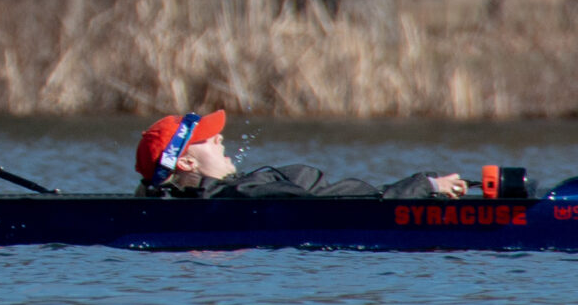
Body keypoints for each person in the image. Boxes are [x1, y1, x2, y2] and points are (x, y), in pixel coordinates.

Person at [134, 110, 468, 200]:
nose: (220, 137)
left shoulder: (232, 188)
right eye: (208, 138)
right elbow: (335, 207)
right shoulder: (242, 193)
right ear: (186, 163)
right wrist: (428, 188)